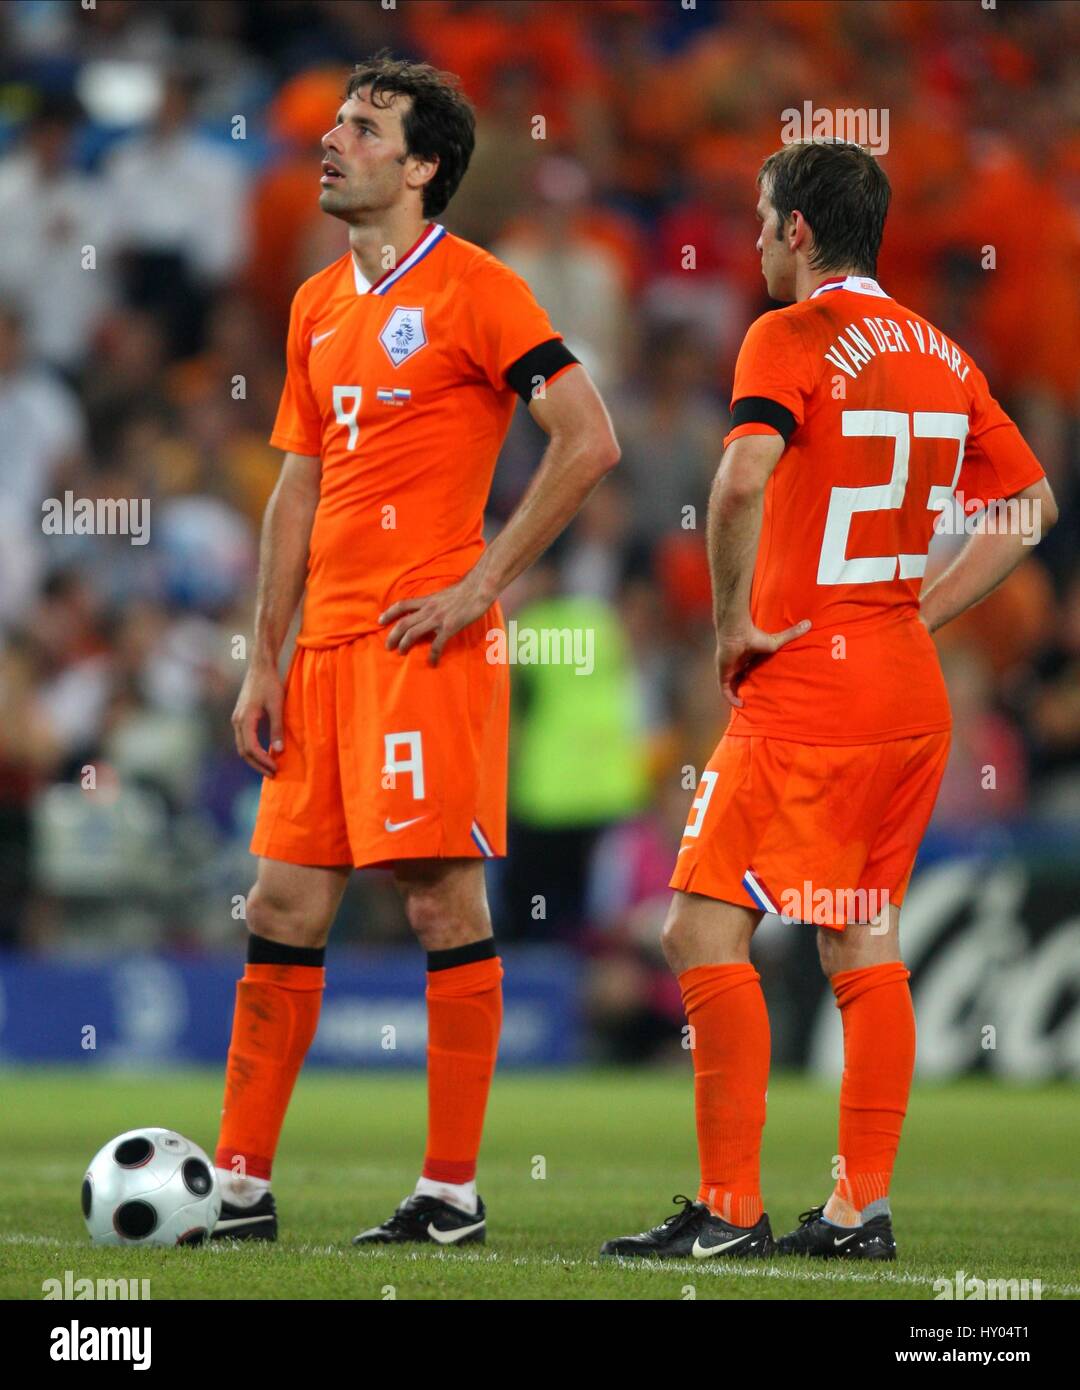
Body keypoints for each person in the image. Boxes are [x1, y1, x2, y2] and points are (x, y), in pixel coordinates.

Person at [601, 138, 1056, 1262]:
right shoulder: (943, 354)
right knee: (860, 943)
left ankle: (729, 1208)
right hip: (904, 687)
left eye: (762, 220)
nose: (755, 240)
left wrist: (729, 626)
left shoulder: (788, 334)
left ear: (798, 230)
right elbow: (1032, 503)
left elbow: (741, 475)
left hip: (808, 681)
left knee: (699, 923)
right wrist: (921, 612)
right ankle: (860, 1211)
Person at [214, 53, 619, 1246]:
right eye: (335, 122)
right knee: (282, 901)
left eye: (363, 126)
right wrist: (262, 656)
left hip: (418, 643)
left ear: (423, 165)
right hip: (323, 652)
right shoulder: (315, 302)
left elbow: (587, 439)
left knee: (442, 902)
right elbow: (299, 489)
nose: (333, 140)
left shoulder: (478, 290)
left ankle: (449, 1193)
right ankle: (239, 1187)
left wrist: (480, 582)